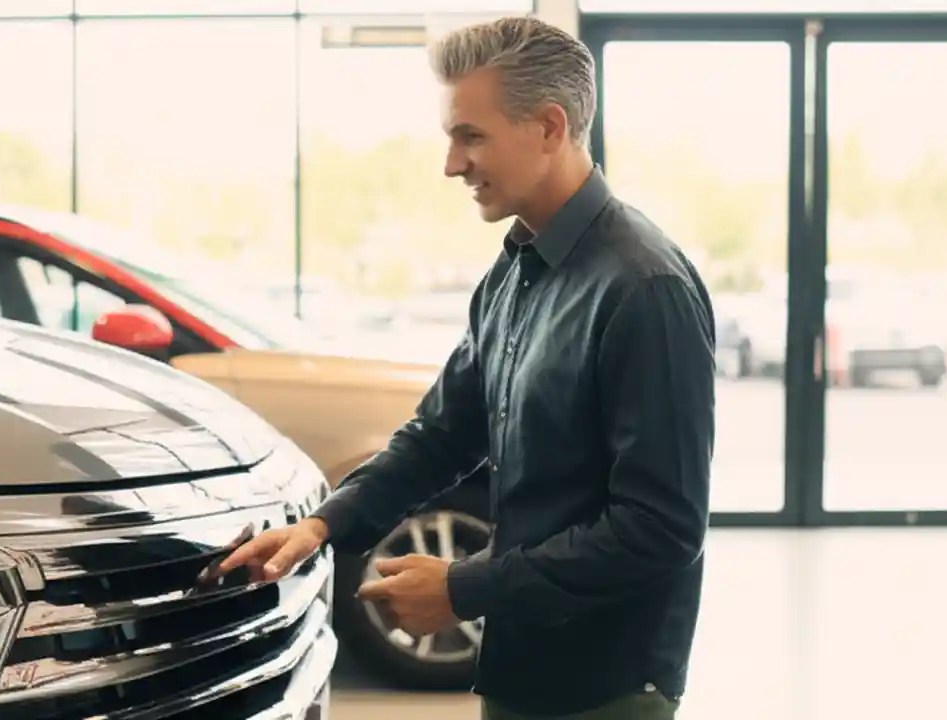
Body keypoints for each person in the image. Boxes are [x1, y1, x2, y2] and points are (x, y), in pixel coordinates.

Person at [215, 16, 715, 720]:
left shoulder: (644, 289)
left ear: (548, 126)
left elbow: (659, 528)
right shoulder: (514, 272)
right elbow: (443, 433)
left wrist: (464, 589)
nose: (452, 164)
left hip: (609, 687)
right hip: (520, 667)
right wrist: (322, 527)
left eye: (469, 136)